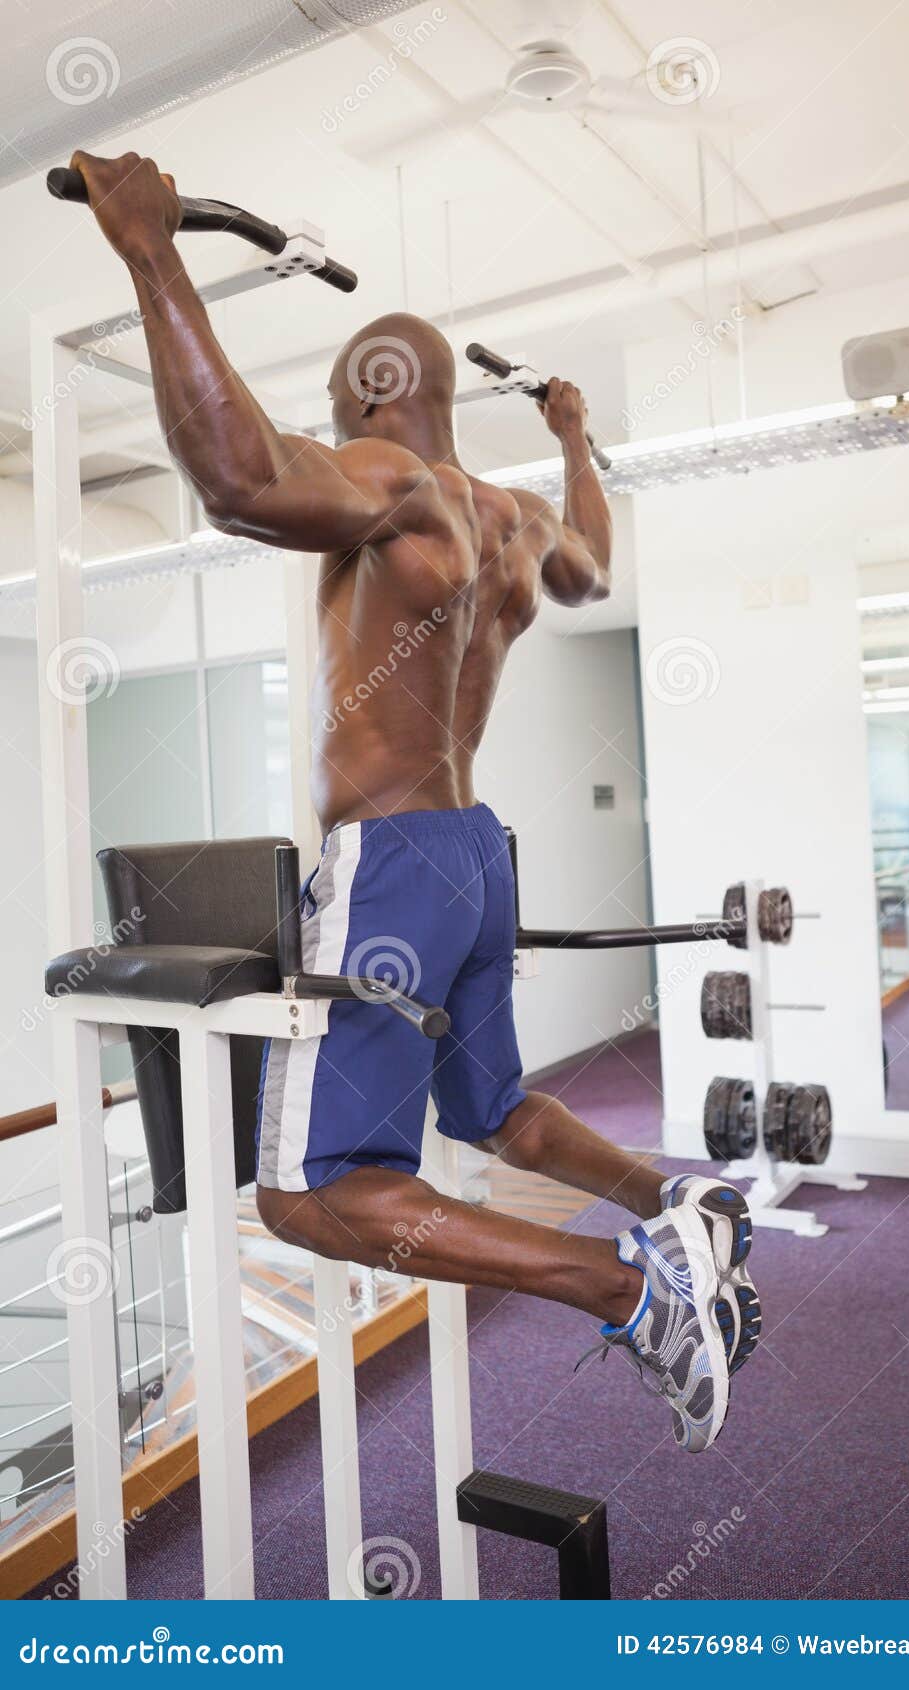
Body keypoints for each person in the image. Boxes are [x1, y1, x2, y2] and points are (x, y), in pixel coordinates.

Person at [71, 150, 759, 1450]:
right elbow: (591, 563)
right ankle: (685, 1202)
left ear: (368, 402)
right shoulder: (505, 514)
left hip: (388, 859)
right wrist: (567, 435)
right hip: (474, 855)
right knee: (490, 1111)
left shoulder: (384, 485)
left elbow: (235, 477)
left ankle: (630, 1288)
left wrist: (151, 250)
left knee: (312, 1193)